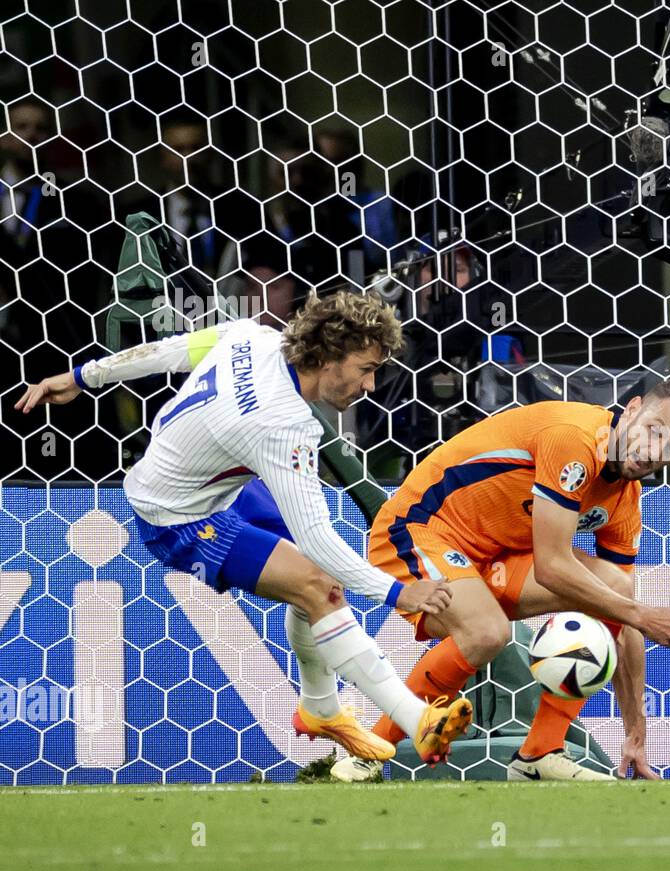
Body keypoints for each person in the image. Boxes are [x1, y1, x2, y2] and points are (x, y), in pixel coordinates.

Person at [15, 290, 472, 766]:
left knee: (320, 579)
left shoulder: (252, 336)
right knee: (320, 584)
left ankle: (320, 709)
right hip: (179, 519)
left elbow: (168, 351)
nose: (372, 385)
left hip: (214, 485)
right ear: (329, 356)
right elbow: (317, 537)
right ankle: (416, 718)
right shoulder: (282, 425)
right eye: (366, 368)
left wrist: (80, 376)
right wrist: (401, 594)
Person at [329, 381, 670, 782]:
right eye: (654, 431)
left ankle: (539, 753)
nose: (653, 453)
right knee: (488, 632)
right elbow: (551, 567)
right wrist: (640, 614)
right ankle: (368, 752)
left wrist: (636, 733)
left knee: (615, 590)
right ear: (631, 409)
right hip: (419, 531)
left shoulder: (624, 500)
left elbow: (623, 617)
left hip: (490, 560)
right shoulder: (575, 438)